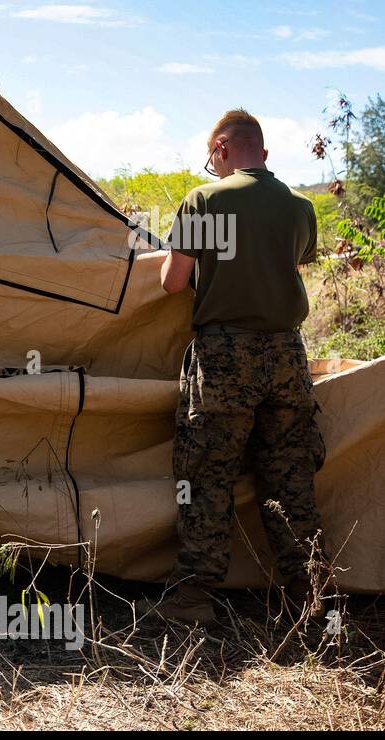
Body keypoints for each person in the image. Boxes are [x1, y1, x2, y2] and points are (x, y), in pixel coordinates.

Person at [147, 109, 327, 625]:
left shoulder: (205, 199)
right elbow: (290, 269)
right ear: (264, 152)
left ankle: (194, 595)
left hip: (225, 356)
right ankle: (309, 598)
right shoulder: (300, 206)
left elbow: (172, 284)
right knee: (291, 477)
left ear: (222, 150)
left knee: (208, 476)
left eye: (212, 159)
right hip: (289, 356)